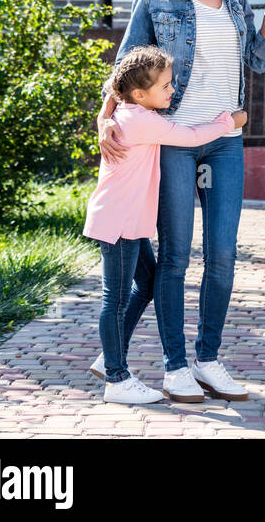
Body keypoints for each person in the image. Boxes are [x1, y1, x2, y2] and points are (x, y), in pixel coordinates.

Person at [97, 0, 265, 403]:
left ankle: (208, 360)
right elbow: (127, 65)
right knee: (175, 257)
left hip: (224, 142)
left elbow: (259, 61)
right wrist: (106, 115)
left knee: (222, 256)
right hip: (174, 139)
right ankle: (175, 366)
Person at [84, 44, 241, 405]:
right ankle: (117, 379)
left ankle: (110, 357)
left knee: (150, 283)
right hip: (120, 222)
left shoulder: (131, 111)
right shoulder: (139, 119)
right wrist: (228, 122)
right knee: (117, 299)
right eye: (166, 85)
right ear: (140, 94)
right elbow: (190, 137)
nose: (173, 90)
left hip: (129, 222)